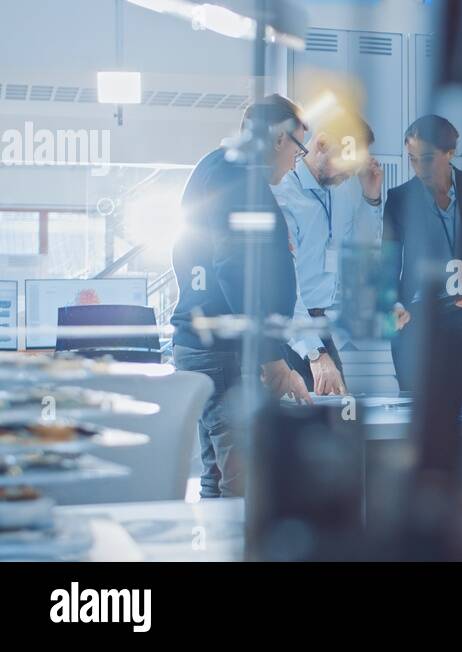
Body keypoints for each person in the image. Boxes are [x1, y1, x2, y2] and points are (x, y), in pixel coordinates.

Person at [171, 94, 313, 499]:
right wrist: (271, 358)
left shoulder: (219, 167)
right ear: (280, 139)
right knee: (243, 486)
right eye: (298, 150)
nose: (294, 163)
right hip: (226, 353)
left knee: (219, 476)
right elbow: (233, 267)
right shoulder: (239, 177)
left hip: (210, 348)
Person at [272, 117, 384, 396]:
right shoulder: (284, 194)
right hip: (289, 331)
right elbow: (283, 285)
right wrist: (315, 353)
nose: (349, 172)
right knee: (293, 431)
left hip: (322, 327)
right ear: (321, 143)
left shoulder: (341, 190)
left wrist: (371, 199)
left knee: (338, 423)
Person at [383, 115, 462, 391]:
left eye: (428, 157)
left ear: (450, 152)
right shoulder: (399, 198)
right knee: (416, 413)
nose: (420, 168)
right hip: (414, 320)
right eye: (412, 158)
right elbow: (387, 263)